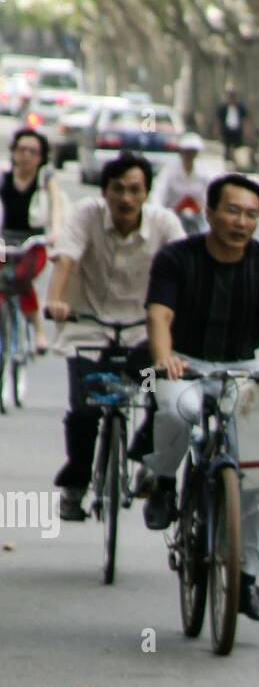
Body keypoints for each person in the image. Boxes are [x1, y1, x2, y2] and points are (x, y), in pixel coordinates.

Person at [143, 173, 259, 624]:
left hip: (241, 368)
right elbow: (159, 314)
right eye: (232, 211)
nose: (241, 222)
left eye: (251, 214)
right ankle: (164, 485)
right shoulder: (176, 258)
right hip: (185, 362)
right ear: (209, 213)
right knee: (174, 408)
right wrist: (165, 358)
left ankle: (246, 580)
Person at [46, 152, 183, 523]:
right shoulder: (85, 216)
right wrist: (55, 300)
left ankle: (145, 462)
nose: (125, 199)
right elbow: (66, 259)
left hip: (144, 333)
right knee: (85, 408)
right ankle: (76, 484)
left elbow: (183, 268)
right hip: (87, 328)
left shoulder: (164, 224)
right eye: (118, 189)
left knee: (160, 394)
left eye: (135, 190)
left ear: (146, 194)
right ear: (104, 191)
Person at [0, 126, 64, 352]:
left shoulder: (45, 179)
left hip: (33, 243)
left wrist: (55, 232)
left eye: (33, 151)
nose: (26, 155)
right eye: (22, 149)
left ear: (41, 157)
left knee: (21, 278)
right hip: (4, 242)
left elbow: (56, 206)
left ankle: (37, 332)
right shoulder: (4, 176)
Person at [149, 132, 211, 231]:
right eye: (187, 151)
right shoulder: (170, 170)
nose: (189, 155)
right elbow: (159, 191)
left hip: (198, 217)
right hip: (173, 215)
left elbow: (211, 192)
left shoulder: (203, 171)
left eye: (193, 152)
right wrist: (158, 212)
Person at [216, 87, 250, 165]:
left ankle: (238, 162)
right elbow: (218, 120)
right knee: (227, 147)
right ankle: (227, 162)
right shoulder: (224, 108)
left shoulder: (240, 107)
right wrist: (217, 130)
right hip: (227, 131)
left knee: (238, 149)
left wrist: (247, 131)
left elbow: (246, 120)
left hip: (237, 131)